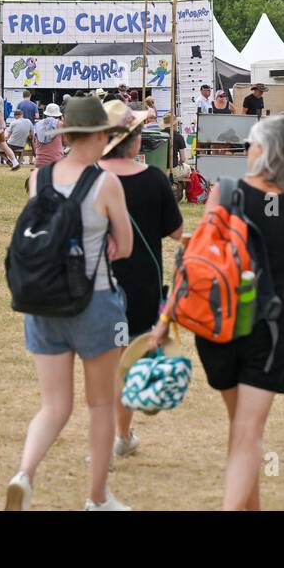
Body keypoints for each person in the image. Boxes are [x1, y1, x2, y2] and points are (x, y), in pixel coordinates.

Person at [150, 116, 284, 507]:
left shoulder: (225, 192)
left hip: (218, 324)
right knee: (247, 434)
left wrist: (164, 320)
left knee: (241, 431)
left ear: (262, 150)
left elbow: (195, 257)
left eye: (251, 144)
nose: (246, 150)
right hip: (271, 326)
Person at [5, 96, 133, 511]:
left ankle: (24, 474)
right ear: (98, 135)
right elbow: (126, 247)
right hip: (94, 300)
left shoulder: (37, 180)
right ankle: (97, 499)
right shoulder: (105, 183)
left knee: (54, 405)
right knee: (99, 405)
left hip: (43, 301)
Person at [98, 100, 184, 461]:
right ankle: (121, 434)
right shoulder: (152, 179)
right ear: (133, 141)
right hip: (142, 284)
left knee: (101, 364)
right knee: (129, 360)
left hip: (96, 281)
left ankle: (106, 439)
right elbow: (177, 231)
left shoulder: (89, 176)